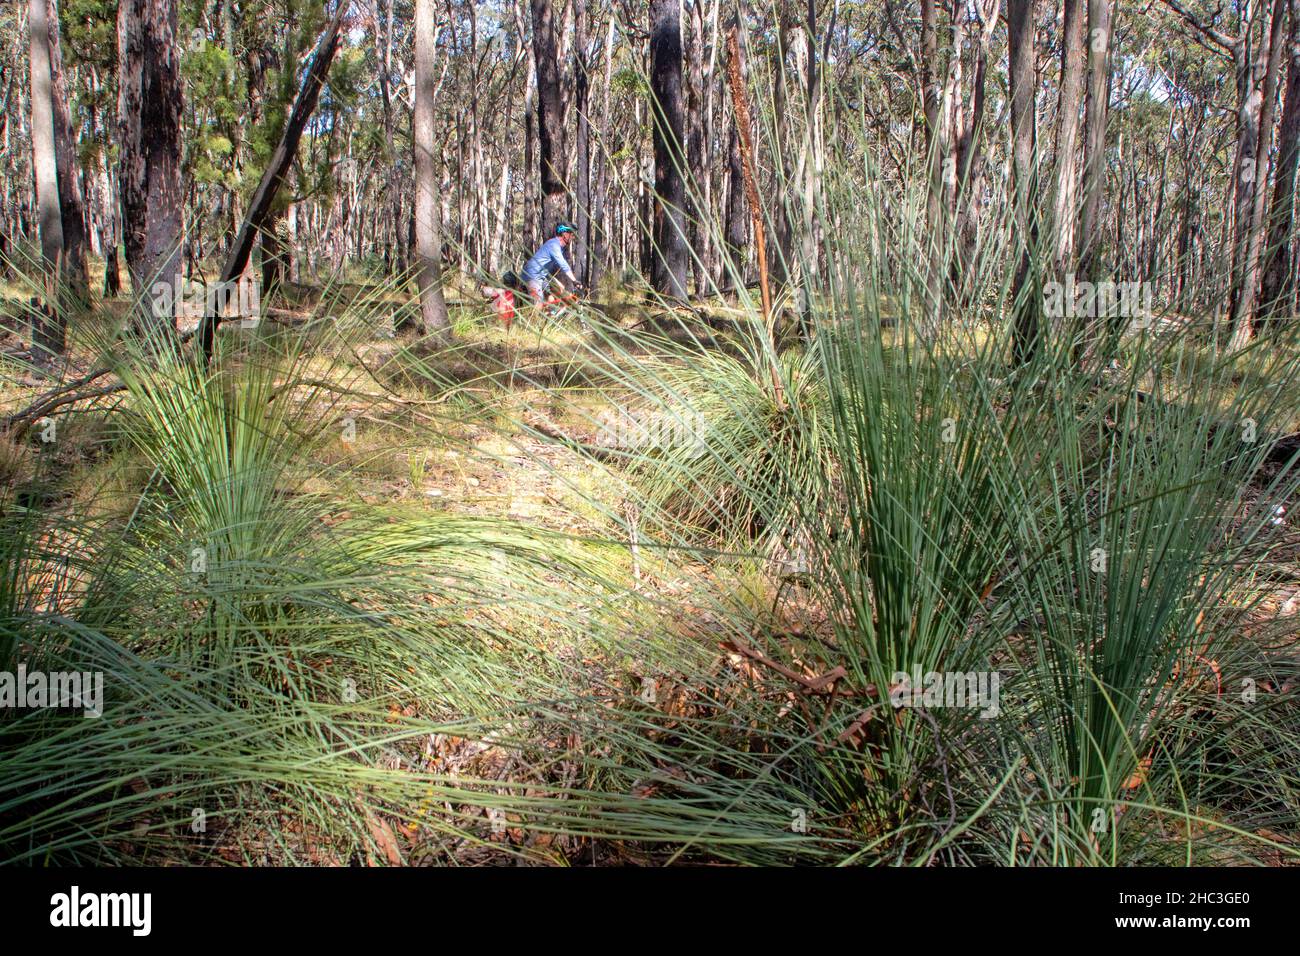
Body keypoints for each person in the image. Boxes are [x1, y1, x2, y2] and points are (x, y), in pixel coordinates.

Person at [519, 223, 582, 304]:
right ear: (565, 234)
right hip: (532, 275)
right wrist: (574, 281)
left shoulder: (559, 248)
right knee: (538, 304)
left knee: (557, 290)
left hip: (541, 276)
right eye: (572, 234)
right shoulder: (553, 245)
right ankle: (536, 315)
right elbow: (563, 265)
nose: (573, 237)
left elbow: (545, 269)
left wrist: (556, 282)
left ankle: (551, 314)